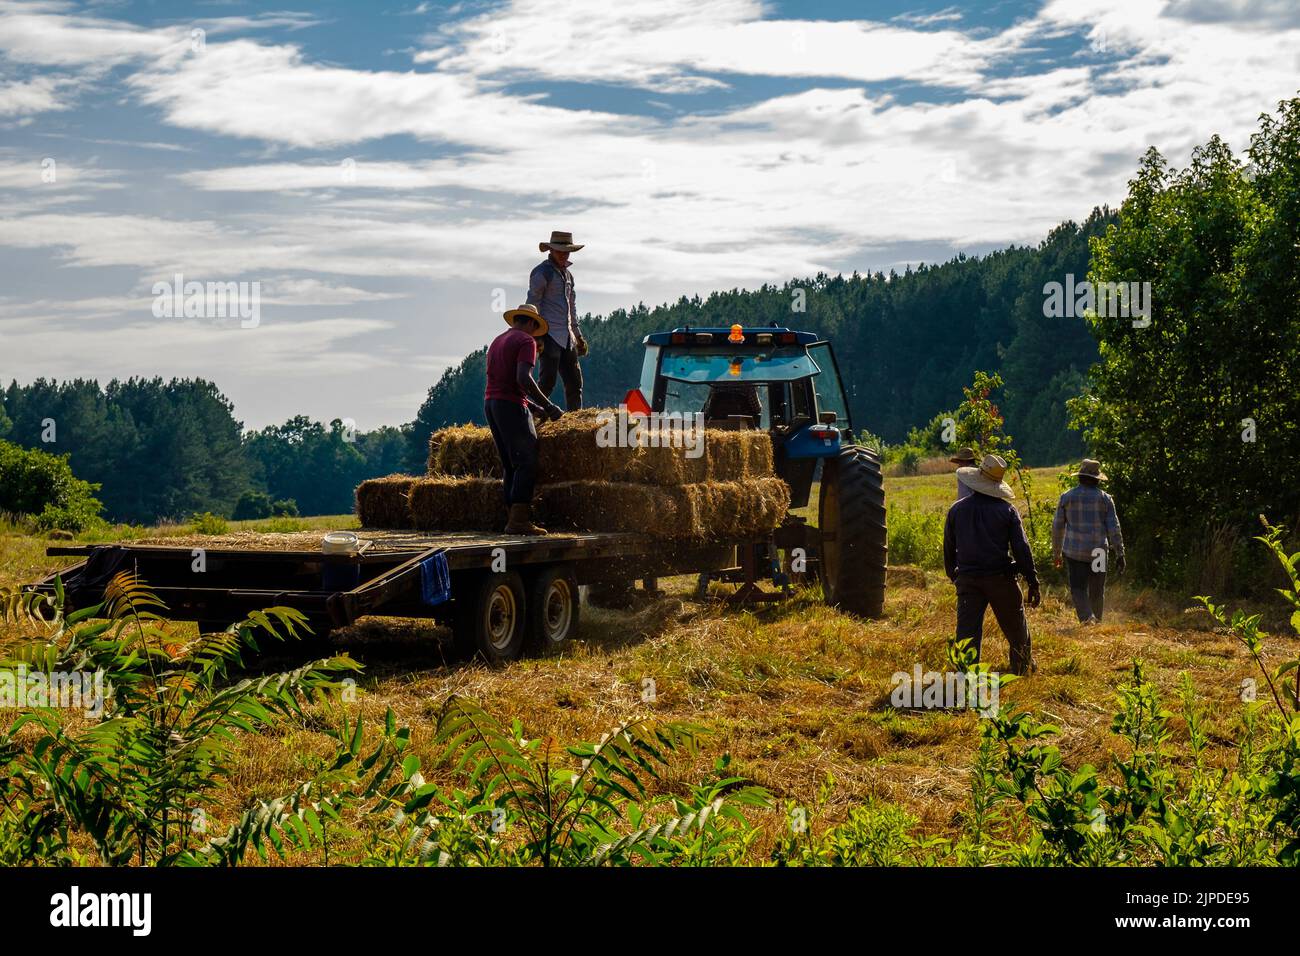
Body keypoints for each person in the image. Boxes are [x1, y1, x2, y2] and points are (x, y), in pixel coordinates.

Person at [943, 454, 1041, 675]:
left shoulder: (957, 510)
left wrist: (955, 576)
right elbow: (1021, 549)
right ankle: (1022, 667)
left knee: (967, 634)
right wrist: (1032, 580)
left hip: (968, 579)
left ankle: (965, 675)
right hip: (1001, 579)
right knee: (1017, 630)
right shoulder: (1006, 511)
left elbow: (948, 547)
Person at [485, 303, 564, 535]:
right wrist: (549, 406)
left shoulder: (497, 341)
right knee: (527, 461)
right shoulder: (525, 341)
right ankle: (519, 521)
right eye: (535, 327)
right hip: (509, 405)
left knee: (510, 465)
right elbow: (523, 378)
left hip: (491, 404)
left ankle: (511, 518)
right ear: (530, 322)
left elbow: (502, 382)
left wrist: (534, 407)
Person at [1051, 459, 1125, 624]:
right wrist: (1120, 553)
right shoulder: (1105, 499)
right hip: (1098, 552)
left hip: (1074, 552)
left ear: (1080, 477)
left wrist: (1056, 553)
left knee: (1078, 588)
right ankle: (1096, 622)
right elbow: (1114, 528)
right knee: (1097, 590)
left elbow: (1057, 527)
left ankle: (1086, 619)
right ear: (1097, 479)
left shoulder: (1067, 497)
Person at [527, 230, 588, 411]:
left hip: (567, 336)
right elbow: (533, 303)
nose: (563, 254)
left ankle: (575, 420)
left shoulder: (568, 276)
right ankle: (534, 416)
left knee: (575, 382)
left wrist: (577, 336)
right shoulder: (541, 273)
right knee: (547, 381)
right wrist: (536, 336)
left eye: (566, 251)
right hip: (549, 334)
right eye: (560, 251)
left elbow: (571, 308)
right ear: (551, 250)